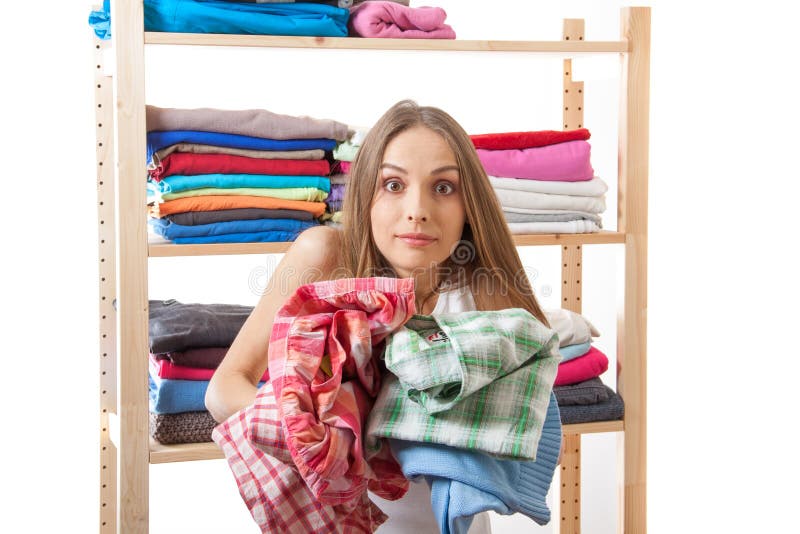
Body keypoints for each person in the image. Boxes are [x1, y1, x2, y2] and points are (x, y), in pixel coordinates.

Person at [205, 99, 551, 533]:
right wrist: (325, 431)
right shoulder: (326, 258)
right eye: (393, 184)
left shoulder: (484, 283)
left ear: (468, 206)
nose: (418, 209)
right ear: (366, 193)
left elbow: (524, 414)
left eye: (443, 187)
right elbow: (222, 391)